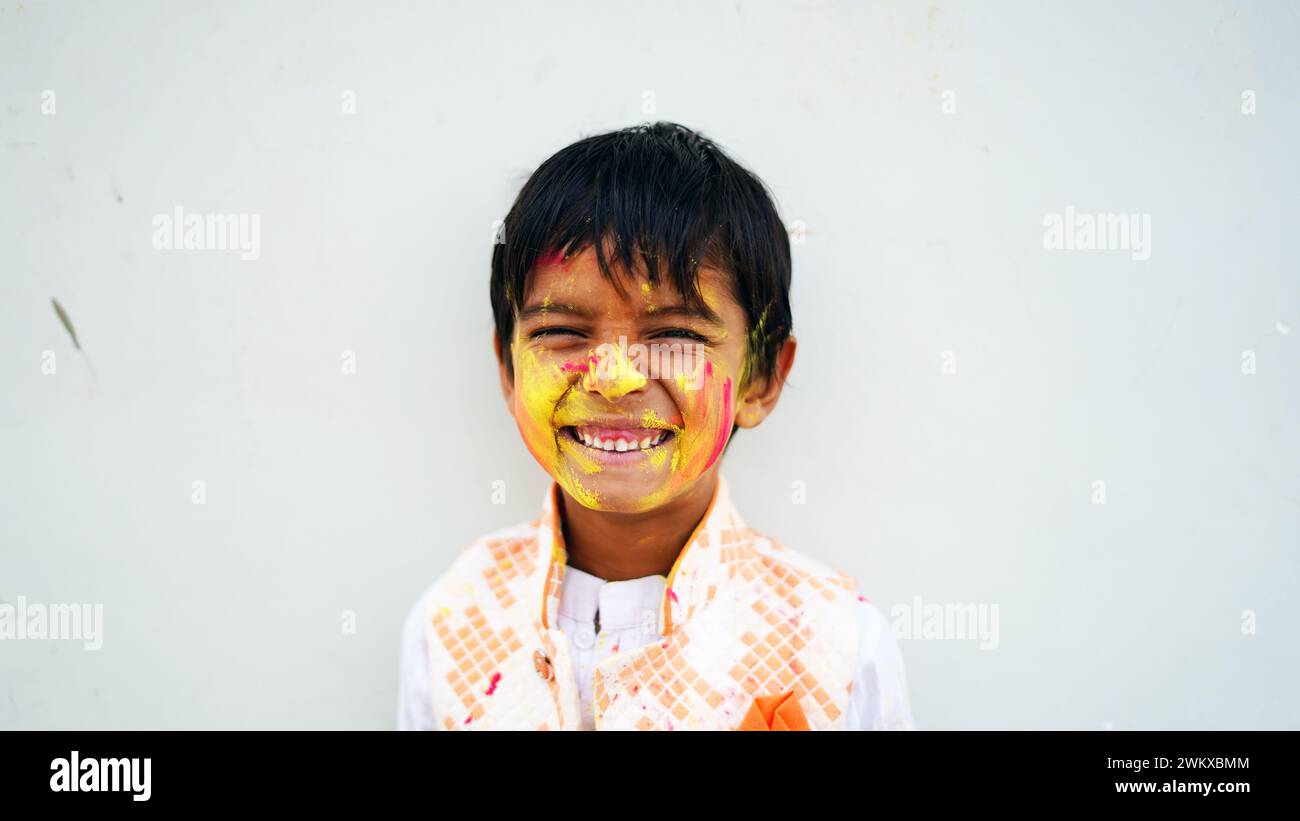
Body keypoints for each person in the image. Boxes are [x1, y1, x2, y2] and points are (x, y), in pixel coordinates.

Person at [398, 122, 914, 730]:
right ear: (509, 370)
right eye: (561, 331)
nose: (613, 378)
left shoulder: (840, 644)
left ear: (761, 377)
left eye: (674, 335)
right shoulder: (453, 620)